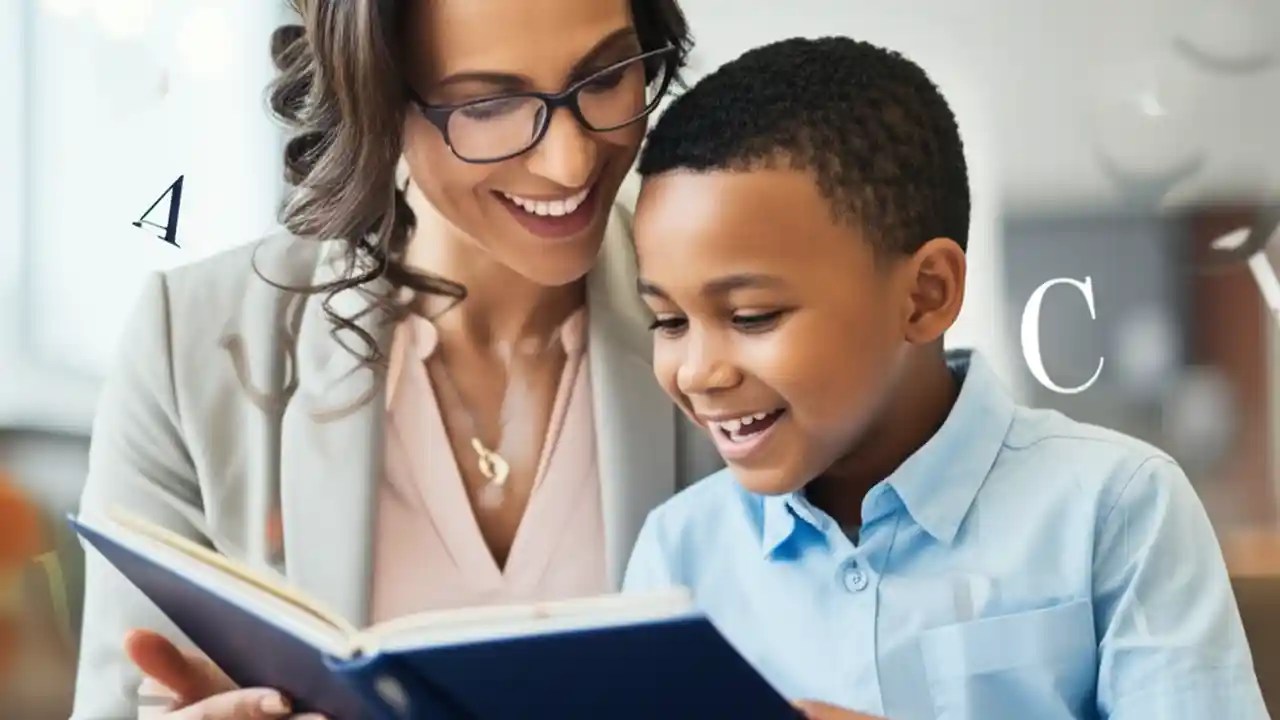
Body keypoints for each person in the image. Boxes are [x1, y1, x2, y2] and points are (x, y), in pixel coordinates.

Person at [70, 0, 722, 718]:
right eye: (490, 103)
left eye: (604, 77)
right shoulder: (188, 345)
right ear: (376, 98)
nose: (569, 158)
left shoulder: (744, 328)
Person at [622, 36, 1269, 719]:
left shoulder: (1115, 509)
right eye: (666, 321)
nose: (698, 371)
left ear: (926, 295)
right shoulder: (677, 553)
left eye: (752, 315)